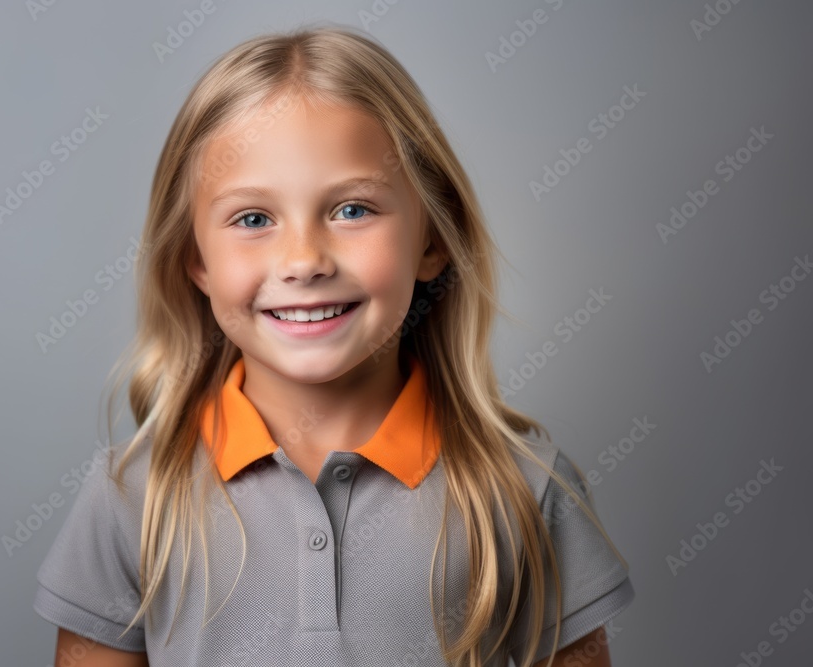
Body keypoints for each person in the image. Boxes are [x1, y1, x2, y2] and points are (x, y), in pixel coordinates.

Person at [32, 23, 635, 667]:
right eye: (253, 219)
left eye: (352, 209)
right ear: (196, 261)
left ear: (431, 241)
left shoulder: (525, 490)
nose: (303, 260)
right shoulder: (133, 497)